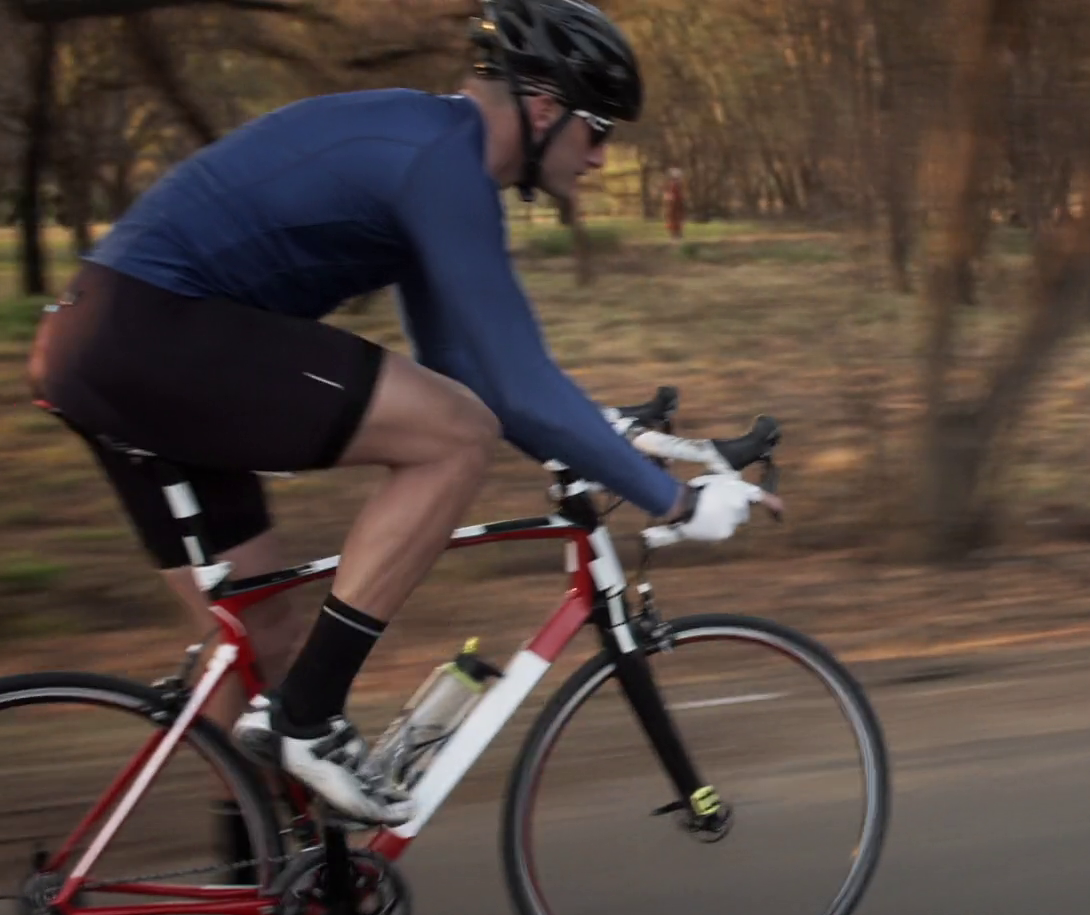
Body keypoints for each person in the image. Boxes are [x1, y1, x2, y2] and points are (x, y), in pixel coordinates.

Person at [25, 0, 775, 833]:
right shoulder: (443, 166)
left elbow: (470, 369)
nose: (603, 156)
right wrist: (673, 499)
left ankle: (262, 900)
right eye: (599, 129)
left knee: (258, 632)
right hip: (155, 335)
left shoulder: (426, 150)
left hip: (98, 344)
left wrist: (602, 433)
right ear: (542, 108)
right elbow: (503, 395)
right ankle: (310, 720)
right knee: (454, 443)